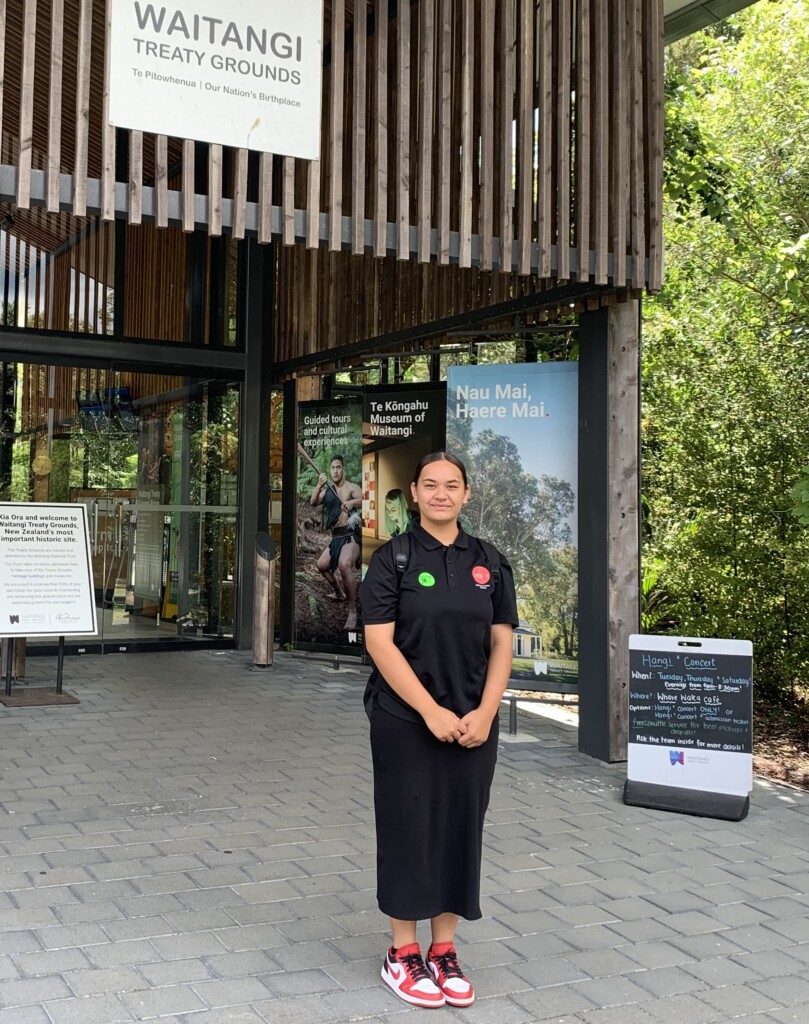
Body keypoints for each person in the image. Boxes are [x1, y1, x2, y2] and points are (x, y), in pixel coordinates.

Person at [361, 452, 518, 1009]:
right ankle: (402, 953)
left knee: (458, 827)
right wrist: (430, 710)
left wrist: (487, 711)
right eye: (431, 485)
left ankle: (444, 949)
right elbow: (379, 642)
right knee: (408, 826)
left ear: (467, 494)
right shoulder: (393, 560)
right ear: (415, 494)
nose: (441, 494)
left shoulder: (490, 562)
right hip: (406, 720)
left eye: (452, 485)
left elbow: (503, 642)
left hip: (474, 722)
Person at [310, 454, 363, 631]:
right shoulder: (329, 491)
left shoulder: (351, 488)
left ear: (343, 469)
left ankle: (352, 611)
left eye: (338, 467)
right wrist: (319, 485)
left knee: (343, 564)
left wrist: (352, 502)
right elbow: (313, 501)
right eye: (333, 468)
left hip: (351, 534)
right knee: (321, 565)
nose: (335, 471)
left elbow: (368, 499)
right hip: (336, 538)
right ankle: (339, 592)